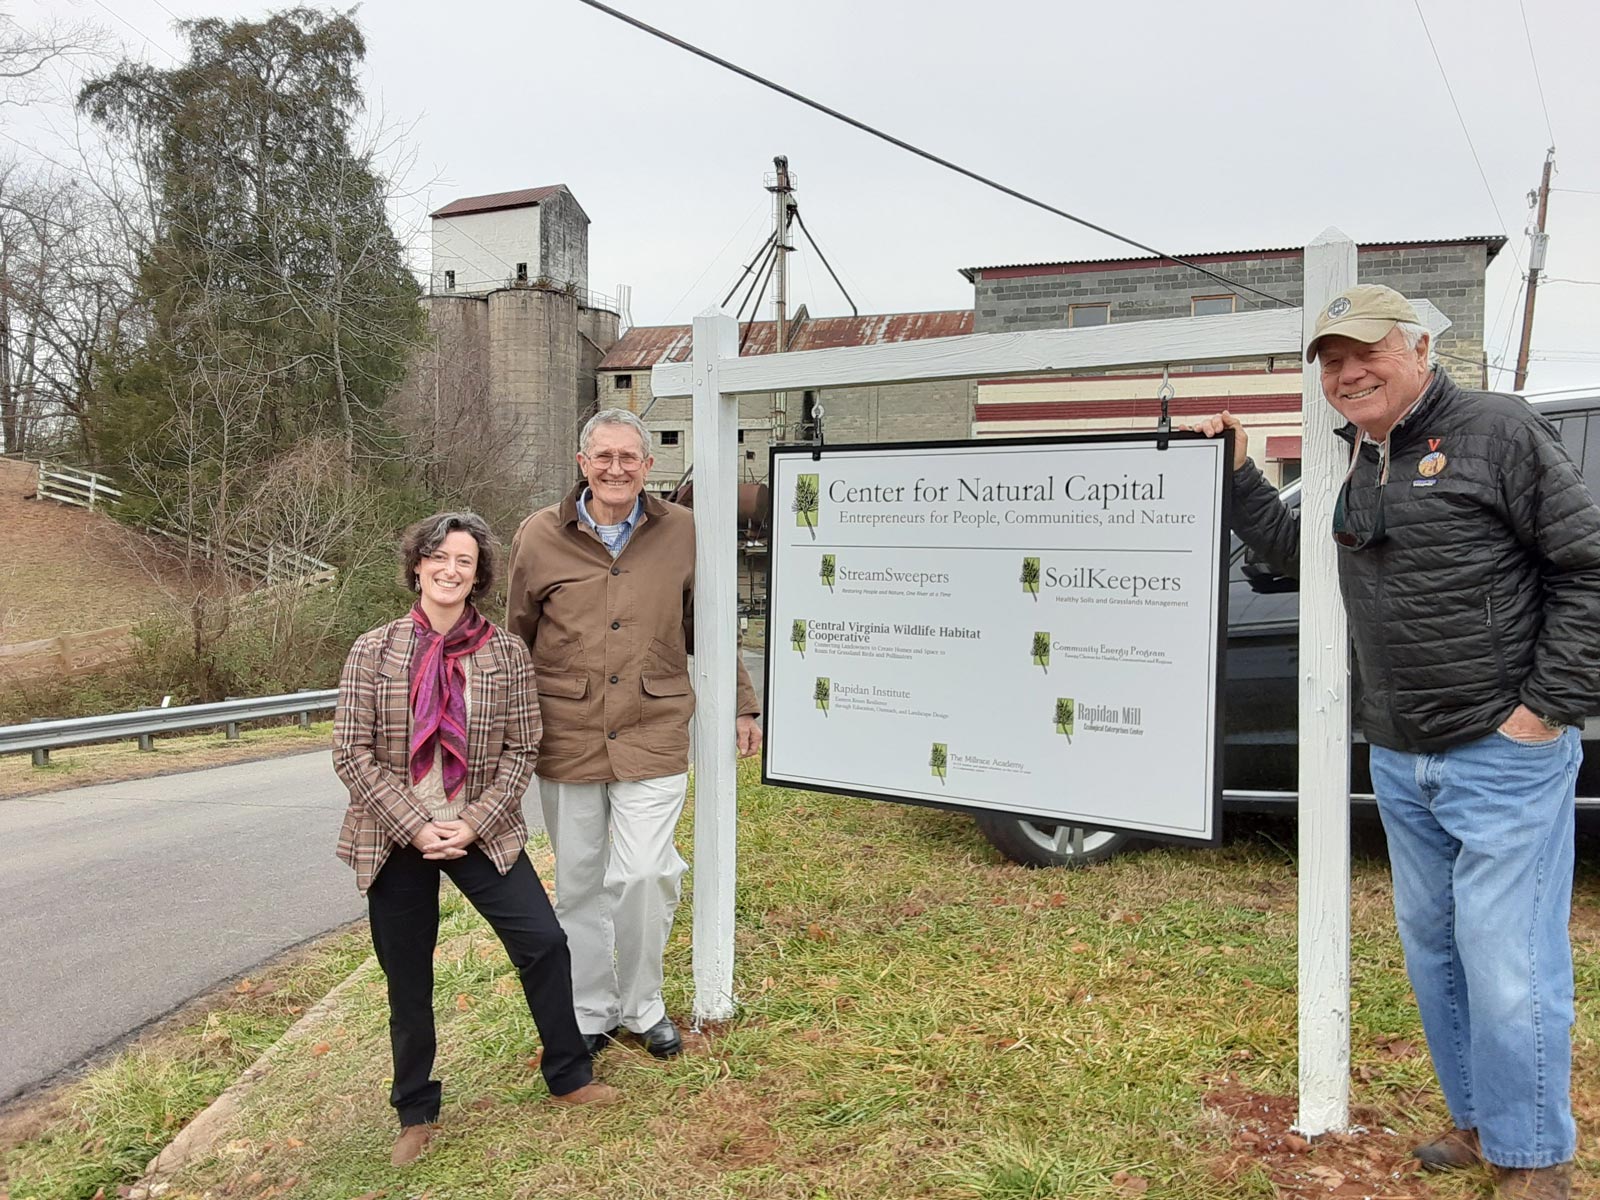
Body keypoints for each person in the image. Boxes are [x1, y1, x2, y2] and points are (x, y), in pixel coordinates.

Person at [1190, 285, 1600, 1200]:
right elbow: (1304, 554)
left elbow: (1588, 571)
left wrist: (1542, 711)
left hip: (1502, 752)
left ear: (1417, 349)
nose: (1346, 374)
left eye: (1364, 353)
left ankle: (1536, 1158)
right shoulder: (1359, 462)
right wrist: (1239, 474)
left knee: (1508, 961)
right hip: (1402, 753)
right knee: (1438, 952)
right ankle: (1481, 1119)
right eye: (1331, 362)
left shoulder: (1497, 429)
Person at [332, 511, 618, 1169]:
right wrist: (417, 825)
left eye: (464, 561)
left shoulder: (505, 653)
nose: (450, 570)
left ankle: (570, 1075)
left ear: (478, 575)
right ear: (417, 565)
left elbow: (524, 748)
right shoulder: (372, 650)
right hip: (395, 833)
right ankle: (416, 1110)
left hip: (480, 828)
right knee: (408, 975)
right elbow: (352, 753)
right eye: (439, 557)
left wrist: (473, 821)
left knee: (544, 942)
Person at [506, 410, 762, 1059]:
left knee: (646, 871)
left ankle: (643, 1004)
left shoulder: (683, 532)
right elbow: (516, 637)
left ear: (649, 468)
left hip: (653, 726)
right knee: (581, 882)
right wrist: (503, 725)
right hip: (566, 732)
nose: (615, 468)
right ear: (581, 462)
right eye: (603, 456)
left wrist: (740, 703)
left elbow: (709, 623)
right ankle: (591, 1011)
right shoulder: (537, 536)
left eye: (629, 457)